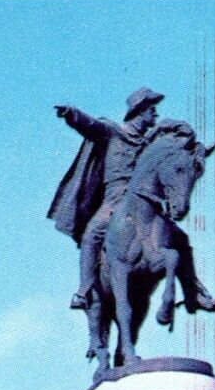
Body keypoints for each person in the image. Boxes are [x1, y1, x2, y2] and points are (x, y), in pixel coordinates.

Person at [48, 87, 165, 310]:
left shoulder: (150, 143)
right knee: (91, 235)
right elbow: (90, 125)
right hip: (114, 200)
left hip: (144, 200)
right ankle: (84, 291)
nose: (156, 114)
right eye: (152, 109)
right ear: (140, 110)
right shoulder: (114, 132)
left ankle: (194, 289)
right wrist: (71, 113)